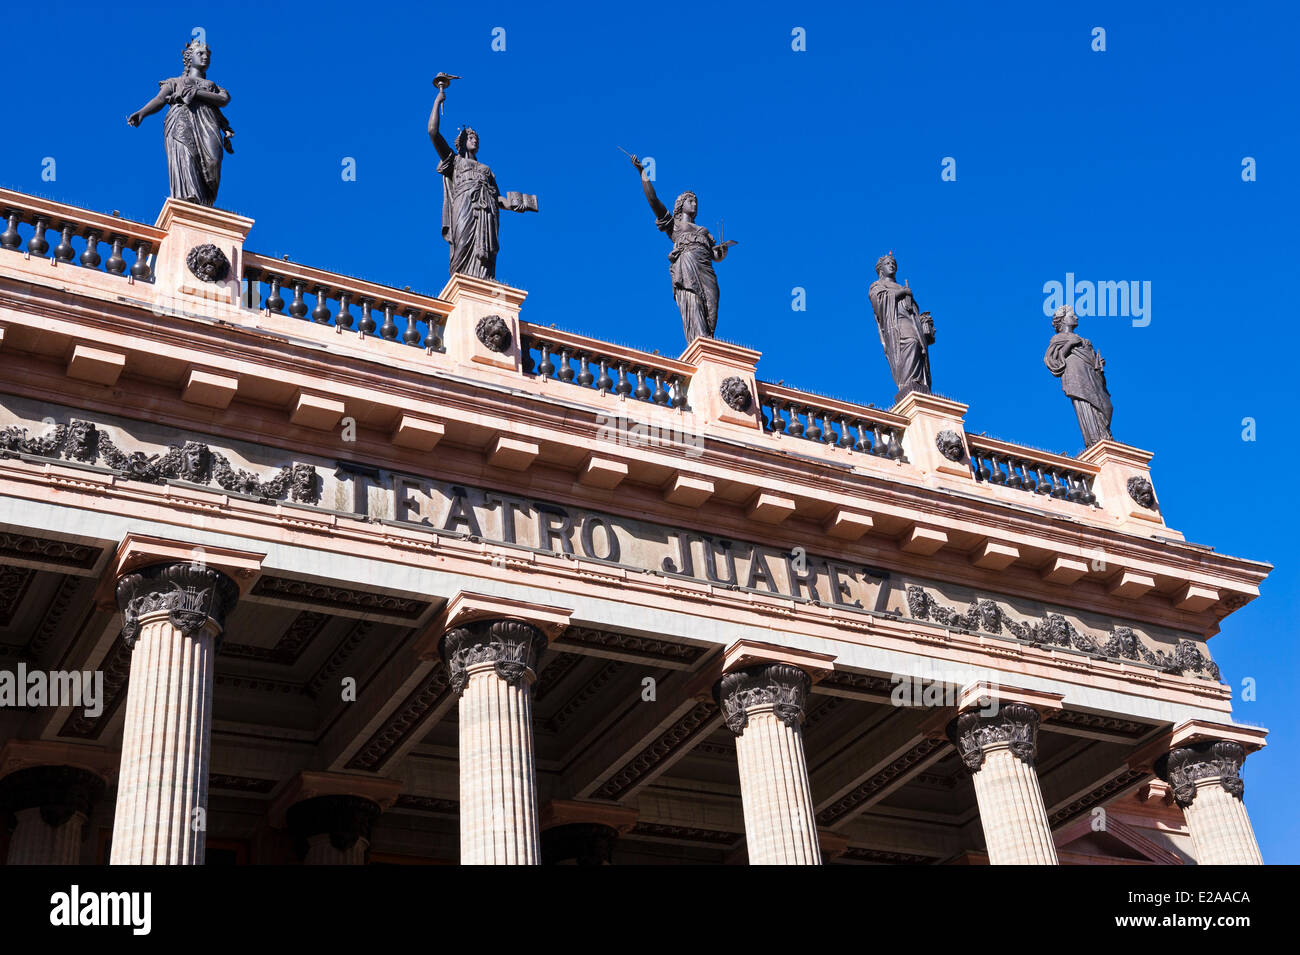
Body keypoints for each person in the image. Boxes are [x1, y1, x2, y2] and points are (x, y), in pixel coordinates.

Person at [428, 85, 534, 279]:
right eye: (470, 137)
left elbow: (498, 198)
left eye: (476, 137)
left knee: (486, 250)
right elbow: (433, 132)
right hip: (464, 204)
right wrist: (437, 102)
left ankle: (483, 280)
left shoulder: (486, 170)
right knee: (463, 244)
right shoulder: (455, 161)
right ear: (462, 141)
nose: (474, 140)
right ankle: (461, 283)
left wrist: (516, 204)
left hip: (487, 211)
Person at [629, 154, 733, 342]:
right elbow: (653, 200)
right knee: (694, 302)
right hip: (687, 265)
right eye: (690, 201)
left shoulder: (704, 231)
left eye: (696, 202)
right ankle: (700, 342)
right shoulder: (674, 225)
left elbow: (714, 255)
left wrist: (721, 253)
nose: (694, 204)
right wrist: (643, 172)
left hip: (706, 269)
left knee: (711, 305)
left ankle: (709, 341)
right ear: (681, 205)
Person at [127, 40, 234, 207]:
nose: (205, 57)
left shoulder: (213, 86)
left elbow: (224, 99)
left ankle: (206, 202)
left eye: (208, 54)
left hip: (207, 121)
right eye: (201, 53)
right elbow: (160, 99)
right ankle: (190, 198)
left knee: (213, 160)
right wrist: (142, 113)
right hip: (180, 120)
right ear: (190, 58)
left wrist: (195, 93)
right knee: (186, 158)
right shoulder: (175, 82)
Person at [1044, 305, 1113, 446]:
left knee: (1107, 407)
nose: (1076, 317)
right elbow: (1051, 360)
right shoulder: (1058, 339)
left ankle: (1104, 434)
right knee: (1086, 403)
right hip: (1077, 377)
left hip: (1092, 375)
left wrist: (1098, 364)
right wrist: (1069, 345)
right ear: (1063, 320)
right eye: (1072, 315)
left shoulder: (1085, 341)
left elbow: (1092, 359)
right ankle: (1096, 439)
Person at [868, 252, 935, 399]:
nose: (891, 266)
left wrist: (923, 322)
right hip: (895, 324)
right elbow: (879, 303)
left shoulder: (900, 286)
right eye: (888, 263)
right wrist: (901, 292)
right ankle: (908, 382)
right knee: (910, 343)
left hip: (911, 322)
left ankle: (919, 382)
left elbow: (912, 311)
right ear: (881, 269)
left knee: (918, 346)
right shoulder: (877, 285)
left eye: (893, 264)